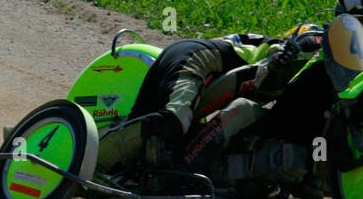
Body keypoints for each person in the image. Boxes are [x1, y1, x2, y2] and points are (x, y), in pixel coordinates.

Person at [96, 24, 323, 174]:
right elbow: (275, 57)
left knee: (173, 134)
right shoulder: (277, 53)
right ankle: (90, 163)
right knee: (176, 118)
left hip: (208, 75)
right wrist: (282, 55)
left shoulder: (296, 81)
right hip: (195, 56)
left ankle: (142, 165)